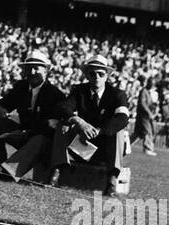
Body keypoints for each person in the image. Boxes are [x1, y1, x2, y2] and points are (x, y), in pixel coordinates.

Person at [0, 49, 69, 182]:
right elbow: (3, 102)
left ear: (46, 71)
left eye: (35, 68)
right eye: (28, 69)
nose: (31, 72)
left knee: (40, 139)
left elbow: (50, 128)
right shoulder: (21, 86)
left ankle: (5, 171)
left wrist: (25, 132)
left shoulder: (55, 95)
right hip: (24, 134)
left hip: (43, 142)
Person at [49, 55, 130, 194]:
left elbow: (123, 118)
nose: (96, 77)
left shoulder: (117, 94)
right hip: (81, 143)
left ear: (107, 76)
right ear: (87, 75)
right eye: (92, 73)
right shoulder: (78, 90)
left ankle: (112, 178)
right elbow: (64, 108)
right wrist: (79, 122)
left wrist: (99, 130)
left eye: (101, 74)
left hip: (105, 146)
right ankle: (57, 170)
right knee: (64, 124)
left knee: (119, 131)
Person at [133, 76, 160, 156]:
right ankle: (147, 148)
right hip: (143, 116)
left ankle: (124, 146)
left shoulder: (148, 92)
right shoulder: (144, 91)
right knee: (148, 132)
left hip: (146, 116)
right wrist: (149, 113)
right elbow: (143, 103)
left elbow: (148, 103)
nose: (152, 85)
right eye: (151, 83)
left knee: (137, 134)